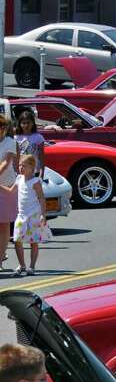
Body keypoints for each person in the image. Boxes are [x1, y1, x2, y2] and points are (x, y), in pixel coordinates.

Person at [2, 155, 49, 276]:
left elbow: (42, 198)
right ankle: (22, 265)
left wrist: (43, 215)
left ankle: (32, 266)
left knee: (33, 241)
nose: (21, 167)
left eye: (24, 165)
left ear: (32, 167)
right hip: (21, 215)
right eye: (20, 165)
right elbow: (11, 191)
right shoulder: (19, 178)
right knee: (17, 239)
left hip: (33, 215)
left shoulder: (35, 181)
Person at [0, 117, 18, 271]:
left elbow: (7, 163)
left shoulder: (10, 142)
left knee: (4, 224)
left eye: (2, 127)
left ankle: (0, 257)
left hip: (6, 185)